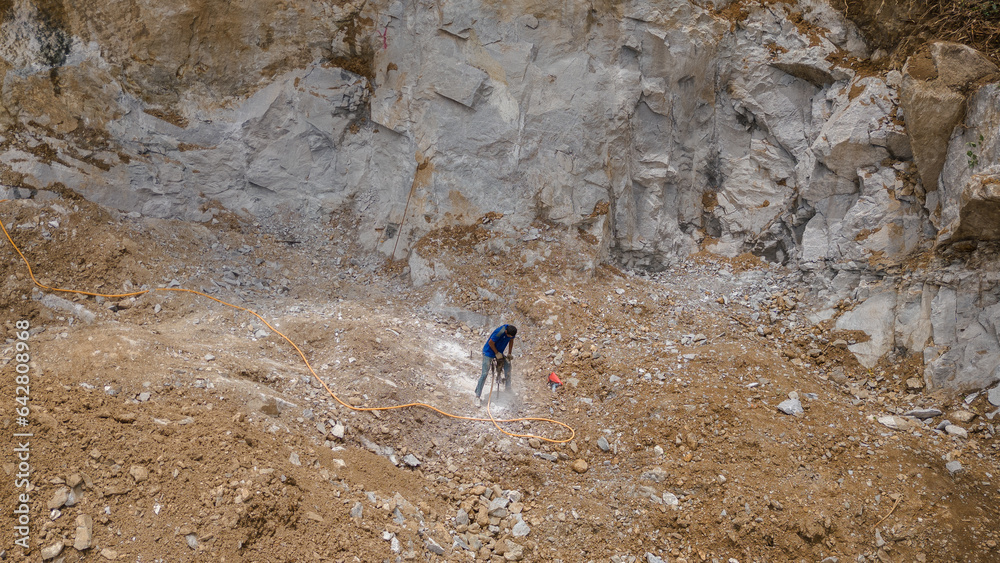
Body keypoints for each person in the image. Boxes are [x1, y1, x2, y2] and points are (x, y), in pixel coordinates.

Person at [475, 324, 517, 407]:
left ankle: (508, 389)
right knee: (484, 374)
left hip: (499, 352)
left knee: (508, 366)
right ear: (506, 332)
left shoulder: (511, 331)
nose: (510, 337)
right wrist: (496, 353)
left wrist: (509, 353)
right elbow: (491, 342)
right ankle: (477, 396)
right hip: (488, 352)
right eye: (509, 336)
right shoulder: (500, 332)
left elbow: (511, 340)